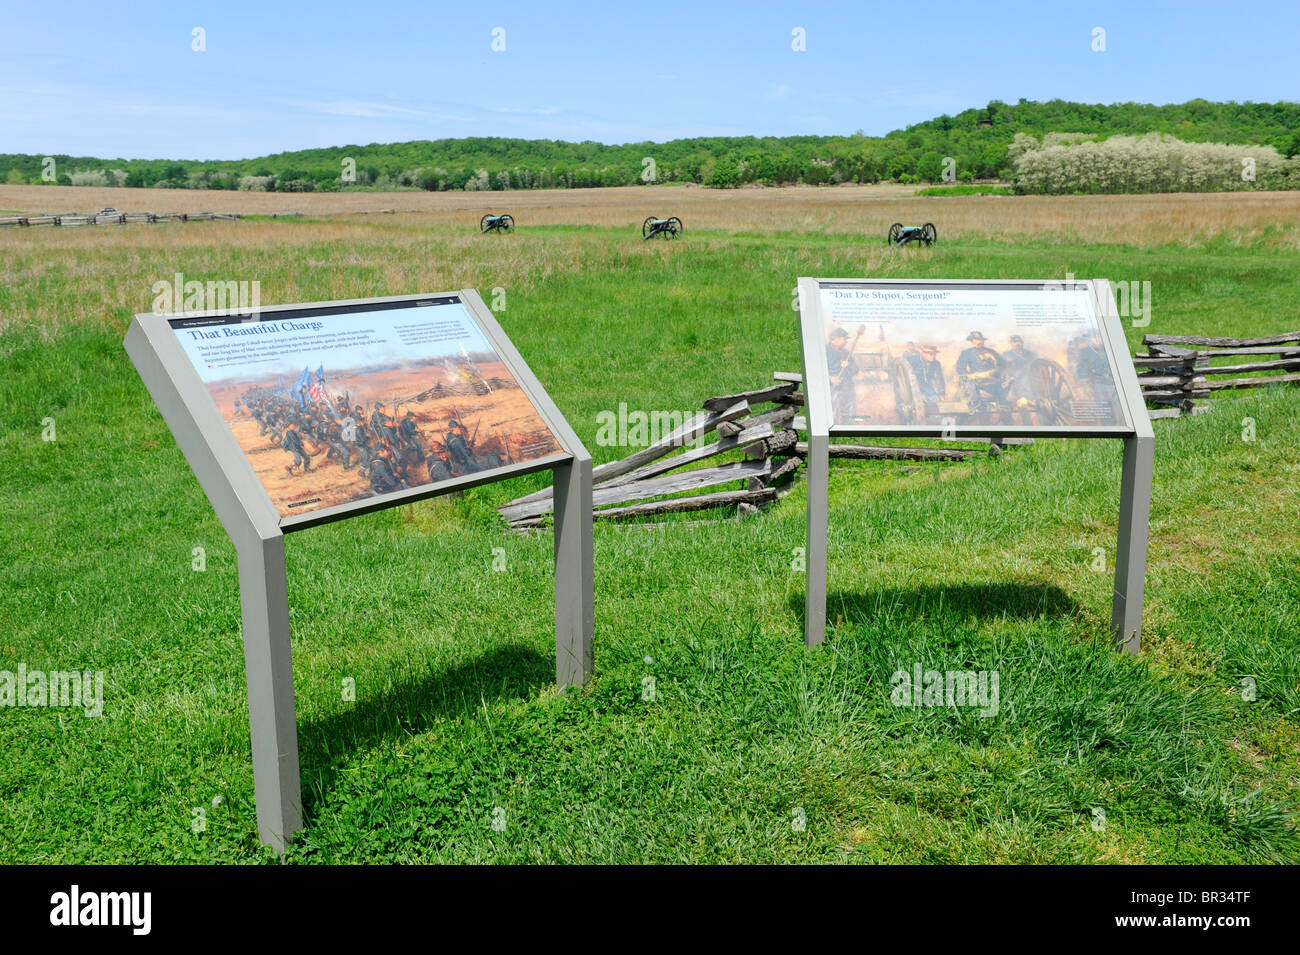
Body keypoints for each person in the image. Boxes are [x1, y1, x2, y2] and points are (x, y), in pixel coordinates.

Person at [955, 330, 1005, 413]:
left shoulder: (991, 351)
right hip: (976, 382)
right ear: (972, 341)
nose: (979, 342)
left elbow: (1002, 365)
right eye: (976, 340)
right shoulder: (967, 353)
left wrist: (994, 359)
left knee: (1002, 400)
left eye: (981, 340)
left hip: (993, 382)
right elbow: (960, 369)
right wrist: (972, 377)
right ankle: (977, 405)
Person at [826, 326, 864, 424]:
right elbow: (817, 371)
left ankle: (850, 431)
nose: (846, 341)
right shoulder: (825, 351)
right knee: (832, 413)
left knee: (850, 413)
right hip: (833, 389)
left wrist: (847, 366)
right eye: (844, 339)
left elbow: (855, 369)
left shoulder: (846, 352)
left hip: (847, 387)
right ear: (836, 339)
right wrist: (830, 378)